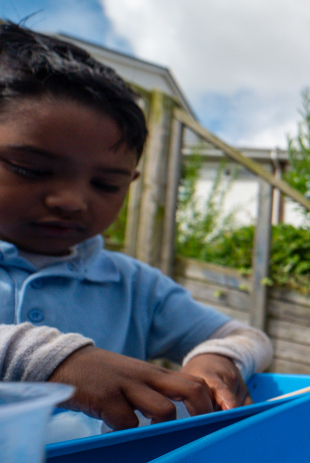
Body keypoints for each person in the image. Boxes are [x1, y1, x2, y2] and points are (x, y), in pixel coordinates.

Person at [0, 22, 272, 432]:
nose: (71, 200)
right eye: (30, 168)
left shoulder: (134, 286)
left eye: (106, 184)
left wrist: (219, 359)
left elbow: (245, 335)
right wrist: (52, 360)